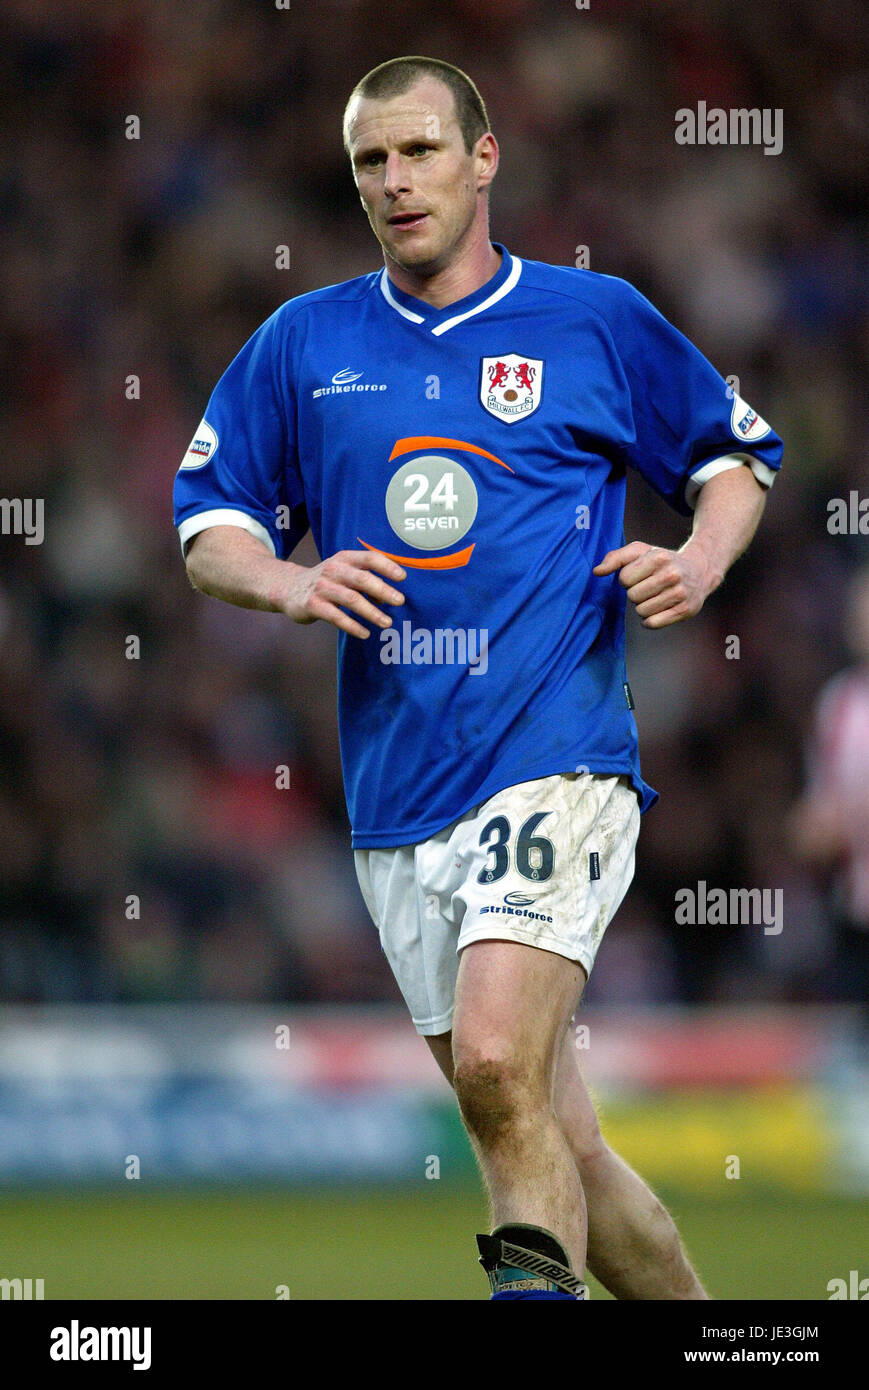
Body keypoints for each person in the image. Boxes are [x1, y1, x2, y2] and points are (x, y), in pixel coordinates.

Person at [174, 56, 783, 1300]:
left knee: (496, 1066)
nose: (395, 181)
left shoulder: (592, 318)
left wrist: (700, 557)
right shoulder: (303, 342)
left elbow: (731, 455)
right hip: (398, 794)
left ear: (483, 156)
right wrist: (289, 583)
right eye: (370, 161)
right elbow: (207, 523)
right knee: (548, 1132)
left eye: (420, 151)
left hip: (554, 752)